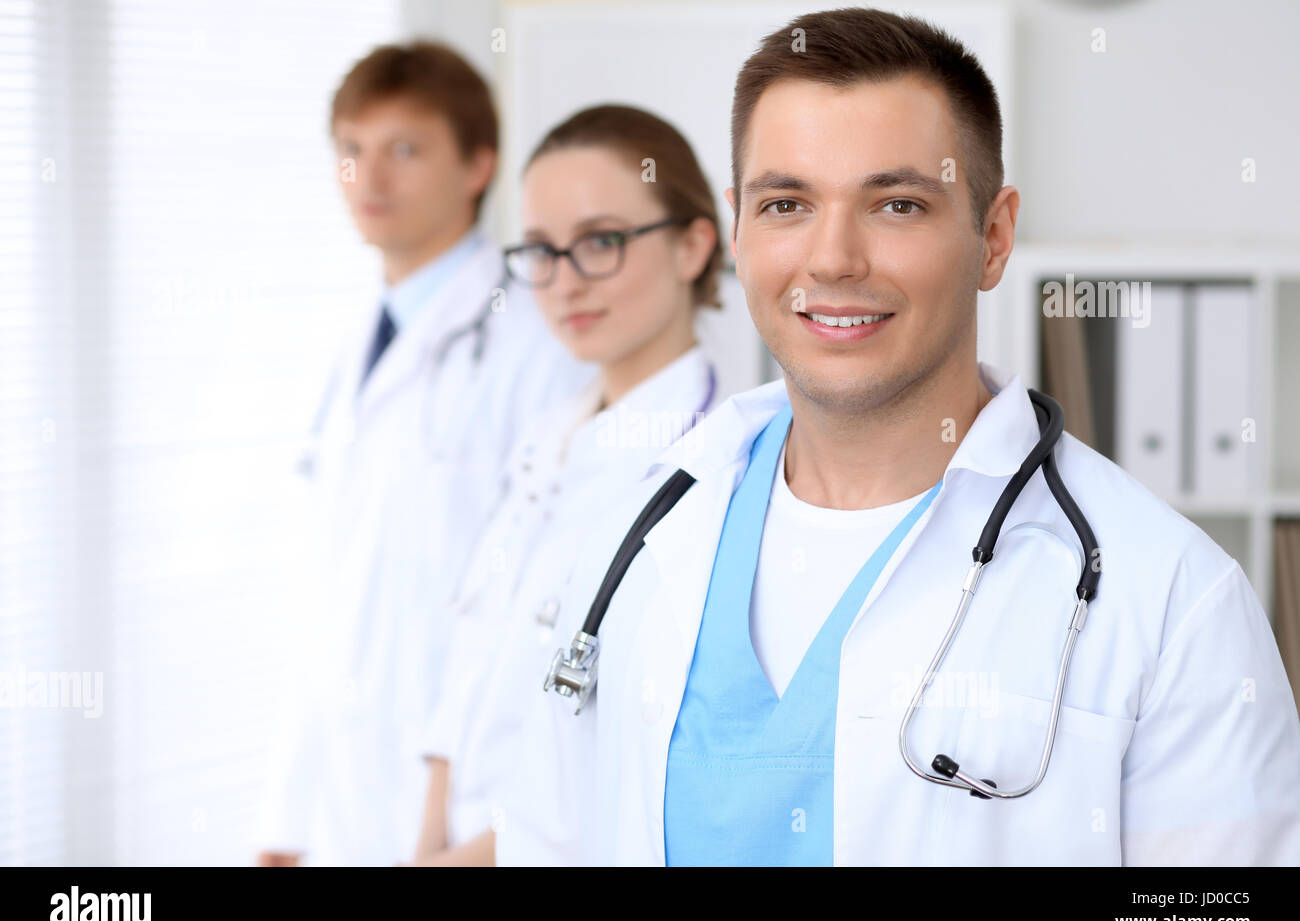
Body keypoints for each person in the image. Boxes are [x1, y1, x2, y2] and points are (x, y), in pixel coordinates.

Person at [497, 7, 1300, 866]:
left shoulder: (1170, 597)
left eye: (898, 203)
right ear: (736, 232)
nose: (834, 258)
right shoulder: (637, 542)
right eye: (786, 203)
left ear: (992, 237)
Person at [255, 41, 589, 867]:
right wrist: (283, 826)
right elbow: (327, 599)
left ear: (480, 164)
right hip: (344, 803)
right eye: (351, 150)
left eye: (405, 150)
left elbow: (557, 606)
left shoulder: (542, 338)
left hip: (462, 805)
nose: (370, 180)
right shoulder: (350, 346)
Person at [409, 105, 725, 866]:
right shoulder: (548, 439)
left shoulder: (710, 476)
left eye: (601, 242)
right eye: (542, 251)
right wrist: (426, 846)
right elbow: (471, 657)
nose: (563, 282)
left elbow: (618, 759)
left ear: (692, 244)